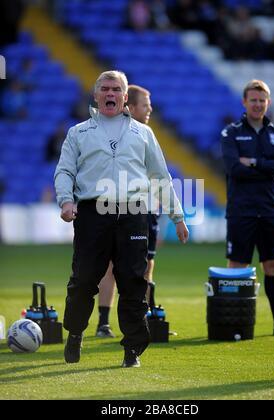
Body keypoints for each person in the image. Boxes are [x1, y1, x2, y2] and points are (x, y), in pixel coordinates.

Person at [54, 71, 189, 368]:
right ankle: (75, 333)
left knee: (133, 282)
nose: (110, 93)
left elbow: (160, 177)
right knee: (83, 280)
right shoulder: (78, 133)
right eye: (105, 88)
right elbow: (64, 171)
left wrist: (177, 216)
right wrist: (66, 200)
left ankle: (132, 350)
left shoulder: (144, 133)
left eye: (116, 89)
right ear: (96, 95)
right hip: (92, 213)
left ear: (125, 97)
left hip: (133, 214)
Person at [221, 79, 274, 336]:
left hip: (270, 210)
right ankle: (233, 323)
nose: (257, 104)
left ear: (268, 102)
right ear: (244, 102)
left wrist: (253, 162)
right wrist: (267, 166)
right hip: (241, 210)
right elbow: (234, 169)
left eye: (262, 100)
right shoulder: (230, 132)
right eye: (253, 100)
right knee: (238, 266)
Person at [96, 84, 159, 338]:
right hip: (116, 207)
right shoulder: (111, 134)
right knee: (111, 266)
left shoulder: (146, 133)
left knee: (146, 266)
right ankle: (103, 323)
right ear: (130, 108)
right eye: (145, 105)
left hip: (146, 208)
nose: (150, 109)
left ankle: (143, 318)